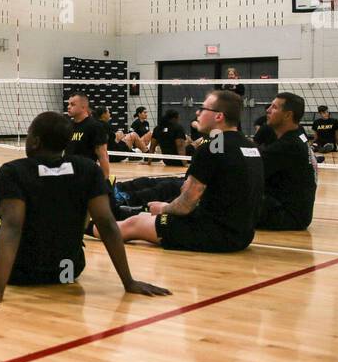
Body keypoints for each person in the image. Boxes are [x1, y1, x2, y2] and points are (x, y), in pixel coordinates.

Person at [0, 112, 169, 307]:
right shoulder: (89, 170)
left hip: (18, 274)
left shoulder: (13, 171)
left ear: (34, 141)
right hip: (68, 270)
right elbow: (107, 224)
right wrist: (129, 282)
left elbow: (12, 229)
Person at [110, 90, 263, 252]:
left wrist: (163, 208)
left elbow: (186, 204)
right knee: (148, 210)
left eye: (203, 109)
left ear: (219, 116)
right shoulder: (251, 146)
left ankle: (83, 226)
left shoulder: (212, 148)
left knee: (136, 224)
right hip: (244, 234)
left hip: (216, 234)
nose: (198, 112)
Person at [258, 93, 318, 231]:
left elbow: (248, 174)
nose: (268, 110)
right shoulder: (298, 134)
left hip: (286, 216)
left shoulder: (287, 146)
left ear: (287, 115)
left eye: (274, 107)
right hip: (298, 214)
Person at [64, 93, 111, 181]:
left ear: (83, 107)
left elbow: (103, 155)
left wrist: (105, 180)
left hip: (86, 176)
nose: (68, 107)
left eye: (72, 104)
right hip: (68, 174)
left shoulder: (95, 126)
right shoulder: (67, 126)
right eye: (68, 104)